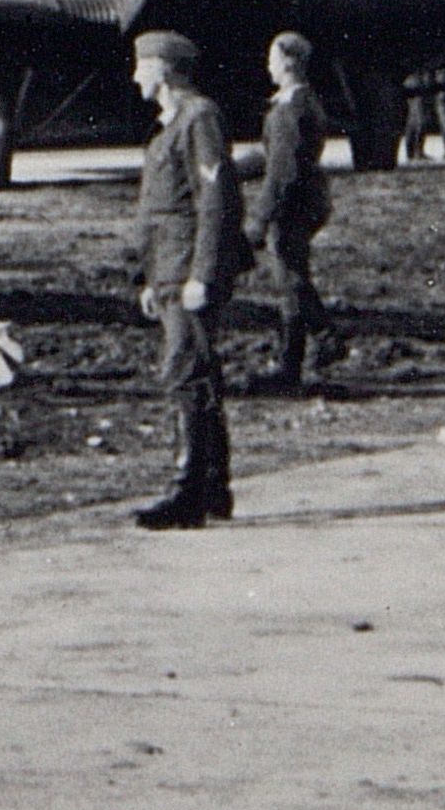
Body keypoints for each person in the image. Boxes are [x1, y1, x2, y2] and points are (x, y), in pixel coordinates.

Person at [128, 30, 249, 529]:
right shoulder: (171, 124)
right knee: (198, 370)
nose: (136, 75)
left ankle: (187, 492)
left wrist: (202, 273)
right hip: (169, 268)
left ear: (165, 68)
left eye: (143, 65)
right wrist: (148, 278)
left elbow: (215, 202)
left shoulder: (199, 118)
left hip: (188, 269)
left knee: (185, 371)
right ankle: (214, 487)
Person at [243, 32, 335, 393]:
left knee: (291, 281)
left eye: (273, 58)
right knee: (292, 279)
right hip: (308, 199)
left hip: (292, 205)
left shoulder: (288, 111)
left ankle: (321, 339)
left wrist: (259, 219)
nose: (268, 65)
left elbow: (280, 174)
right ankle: (293, 363)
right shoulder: (304, 102)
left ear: (289, 62)